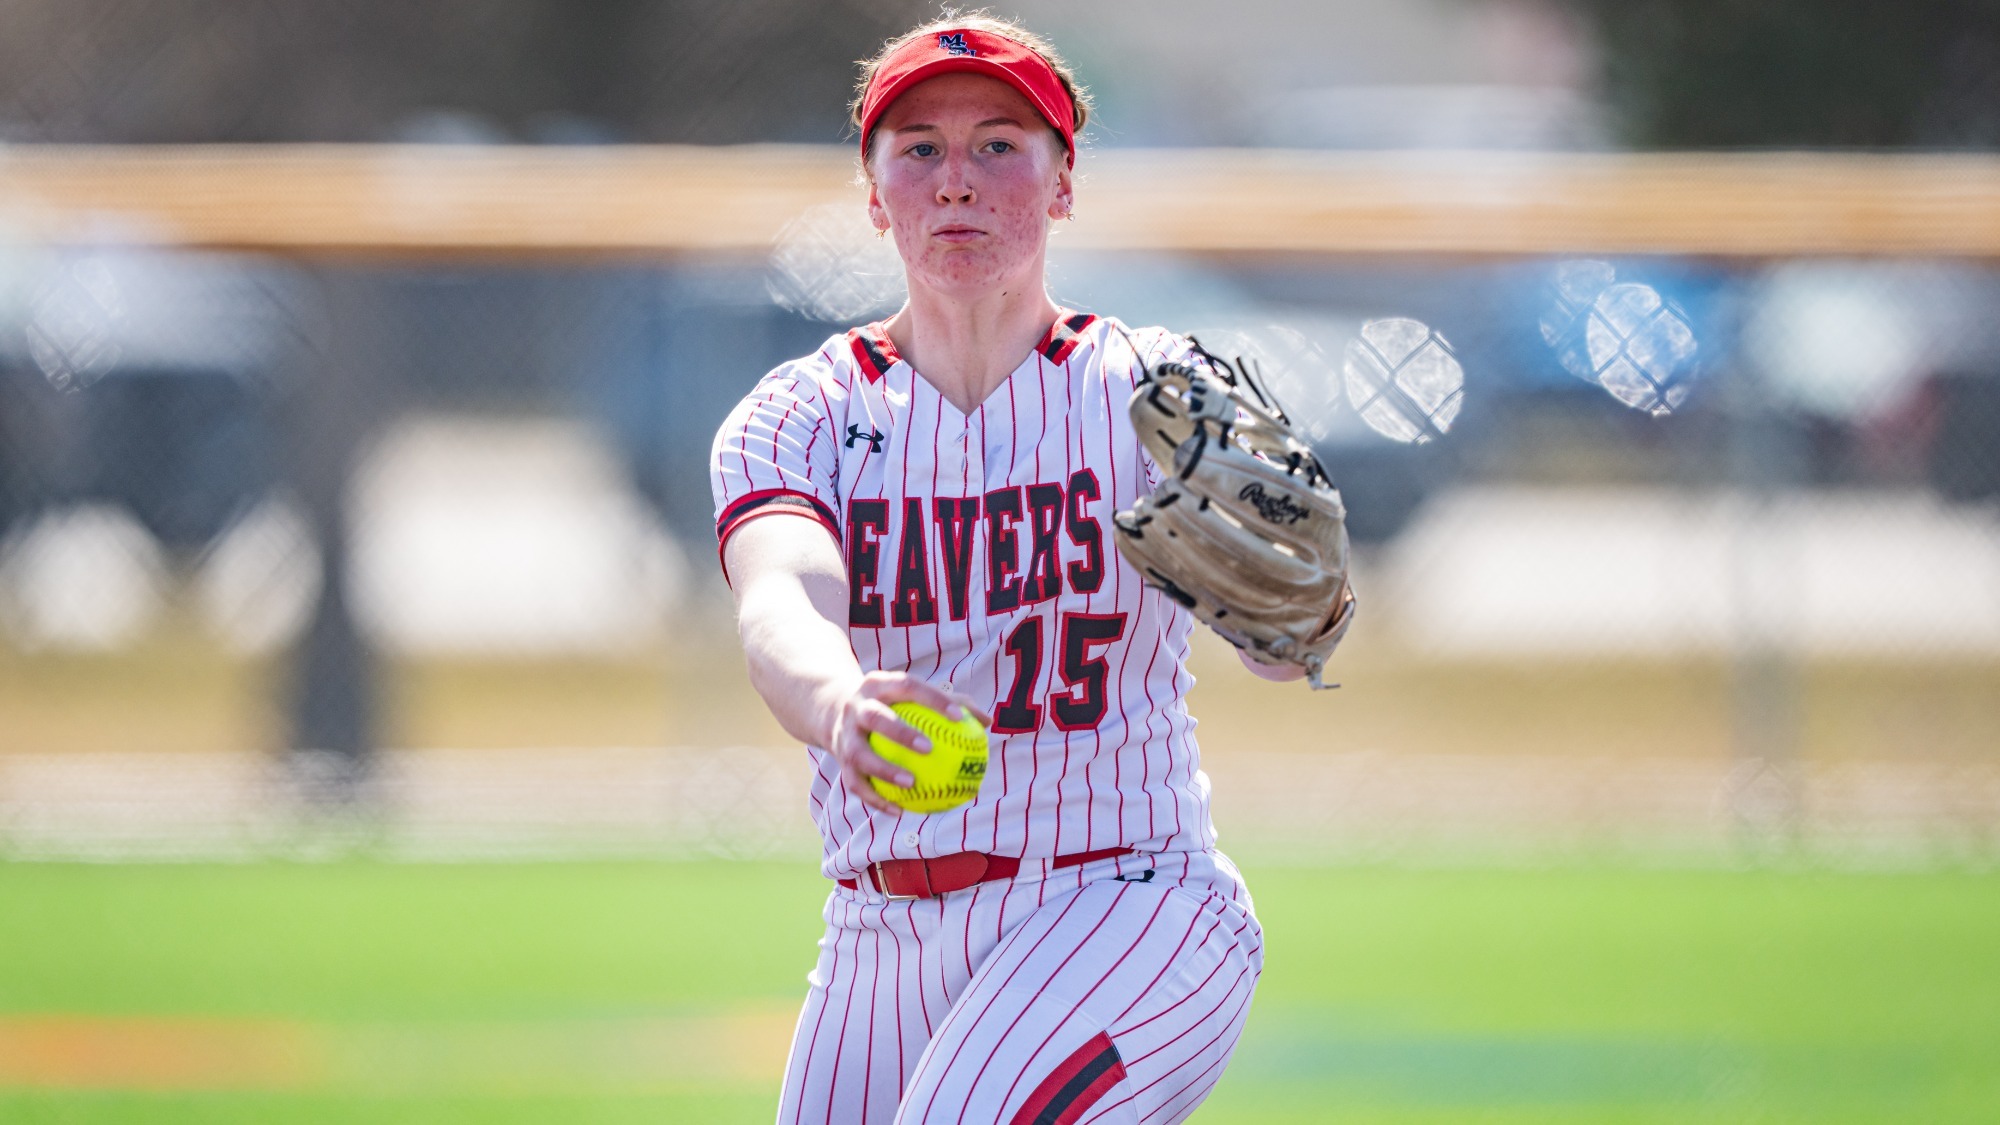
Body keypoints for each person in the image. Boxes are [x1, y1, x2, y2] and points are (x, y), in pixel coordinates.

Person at [711, 15, 1300, 1122]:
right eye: (919, 149)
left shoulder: (1157, 390)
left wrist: (1291, 610)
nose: (957, 180)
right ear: (874, 194)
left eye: (997, 144)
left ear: (1062, 182)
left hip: (1127, 902)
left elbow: (1283, 631)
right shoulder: (801, 417)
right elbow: (780, 601)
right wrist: (839, 701)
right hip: (881, 928)